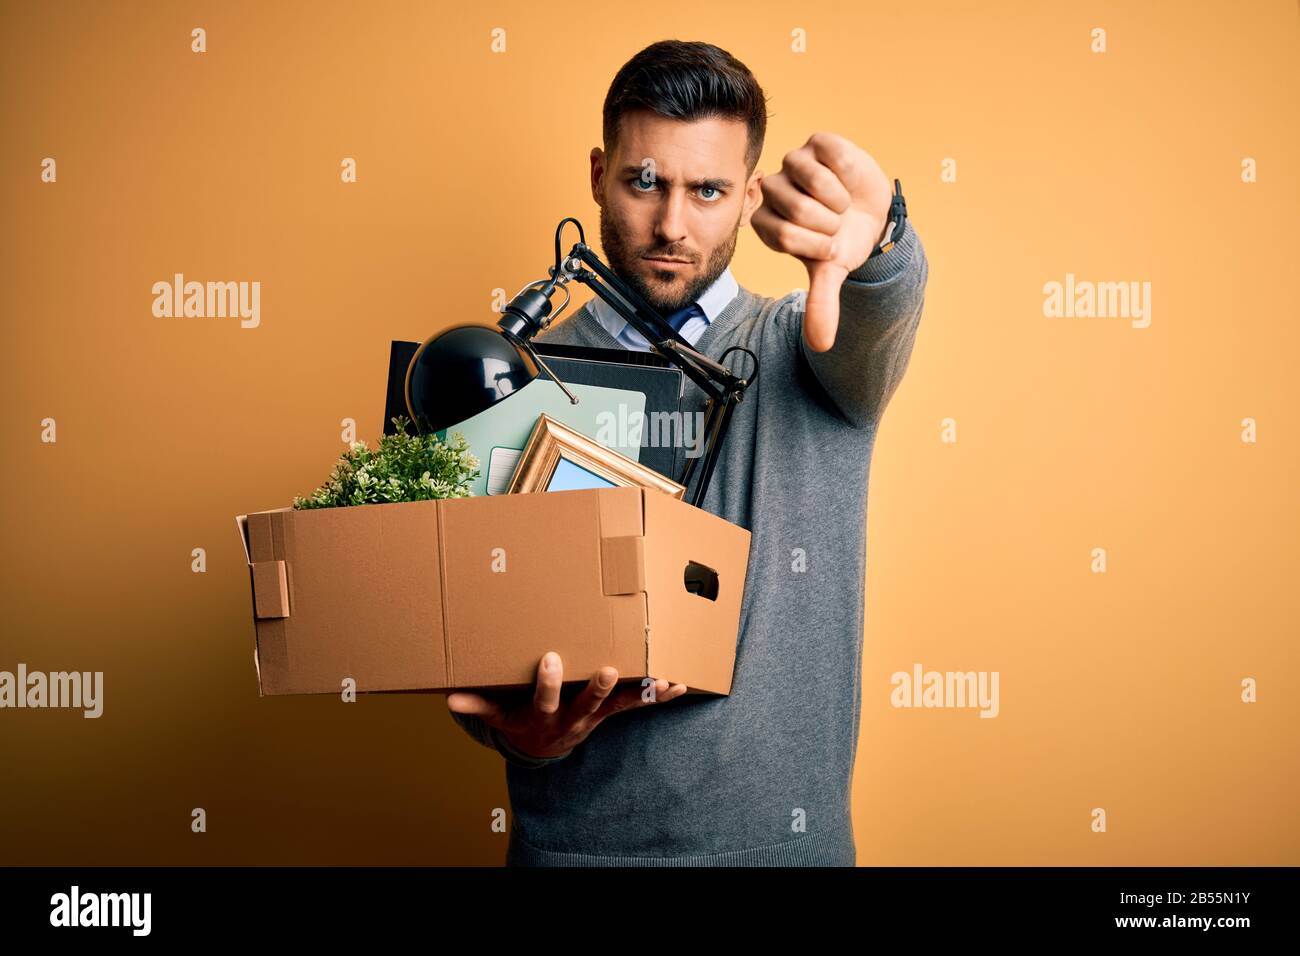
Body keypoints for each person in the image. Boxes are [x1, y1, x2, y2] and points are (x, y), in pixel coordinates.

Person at [446, 38, 929, 866]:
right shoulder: (512, 382)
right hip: (568, 854)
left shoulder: (809, 350)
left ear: (747, 195)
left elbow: (878, 318)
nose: (672, 225)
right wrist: (522, 738)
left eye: (707, 190)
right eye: (645, 183)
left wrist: (882, 245)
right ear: (598, 174)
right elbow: (470, 647)